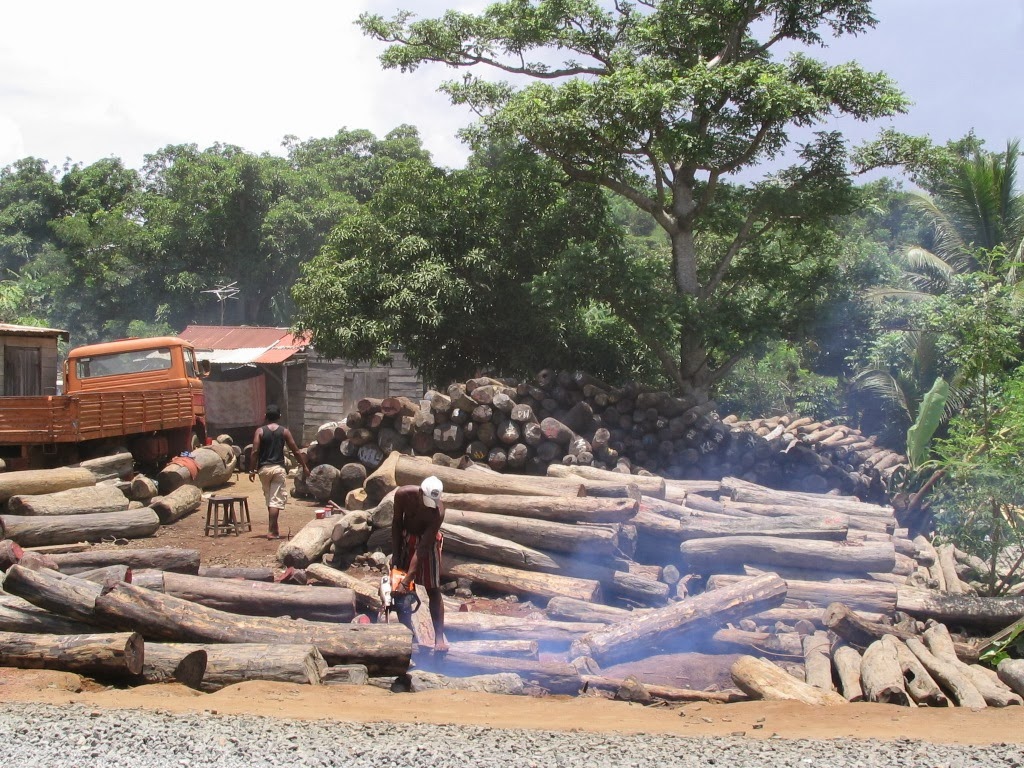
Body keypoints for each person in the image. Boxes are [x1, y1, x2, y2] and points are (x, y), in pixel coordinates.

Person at [391, 475, 448, 652]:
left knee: (433, 588)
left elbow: (422, 548)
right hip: (406, 537)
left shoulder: (438, 512)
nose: (428, 507)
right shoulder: (402, 495)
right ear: (420, 492)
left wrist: (408, 579)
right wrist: (396, 555)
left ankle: (439, 638)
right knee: (400, 592)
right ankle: (407, 636)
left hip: (427, 543)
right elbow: (396, 523)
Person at [248, 404, 310, 540]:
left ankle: (274, 527)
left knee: (270, 499)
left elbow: (254, 451)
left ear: (265, 417)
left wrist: (251, 470)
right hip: (278, 469)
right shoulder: (284, 431)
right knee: (275, 500)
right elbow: (296, 450)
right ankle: (272, 531)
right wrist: (304, 465)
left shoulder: (260, 431)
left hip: (263, 470)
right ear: (279, 417)